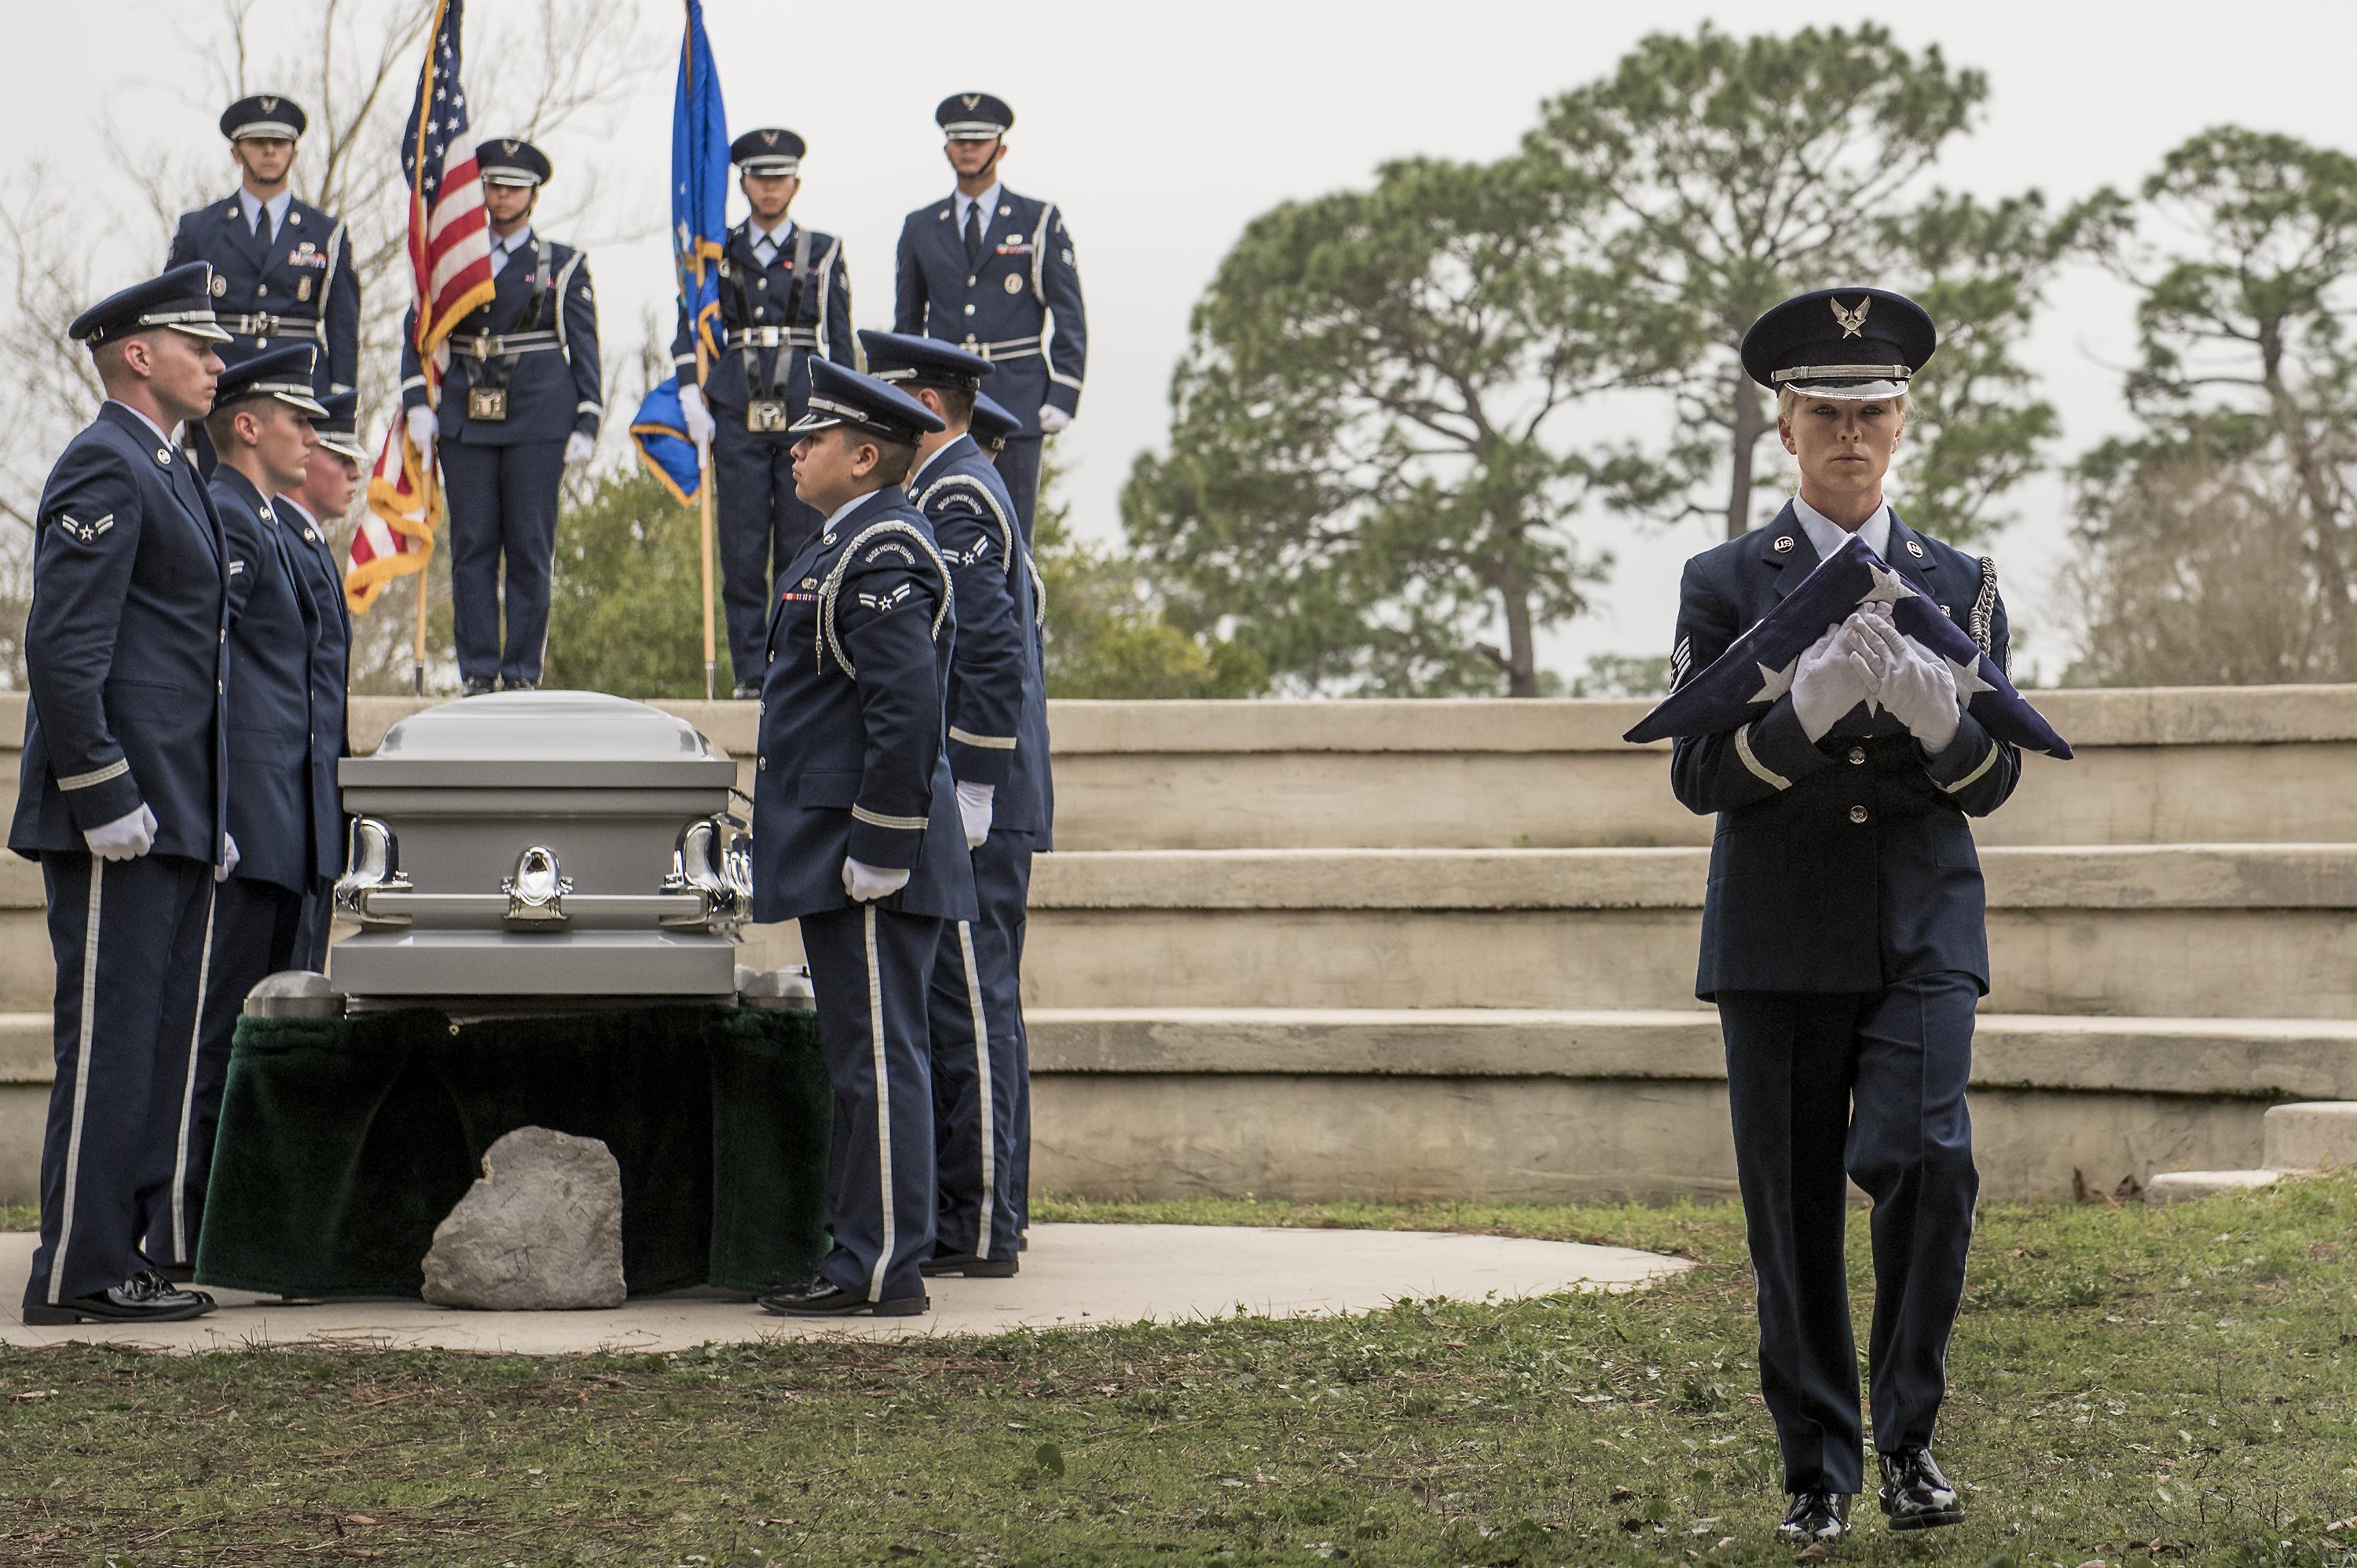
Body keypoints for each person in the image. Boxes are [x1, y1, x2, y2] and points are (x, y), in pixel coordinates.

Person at [1665, 288, 2020, 1543]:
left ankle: (1909, 1441)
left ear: (1903, 422)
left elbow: (1998, 777)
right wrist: (1797, 722)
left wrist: (1941, 723)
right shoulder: (1725, 581)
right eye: (1825, 412)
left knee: (1928, 1158)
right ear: (1786, 428)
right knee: (1794, 1210)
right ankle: (1818, 1470)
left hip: (1922, 919)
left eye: (1872, 411)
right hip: (1778, 930)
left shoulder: (1961, 583)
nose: (1851, 434)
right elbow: (1697, 774)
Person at [9, 263, 233, 1324]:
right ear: (138, 354)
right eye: (200, 344)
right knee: (107, 1044)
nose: (218, 361)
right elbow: (63, 651)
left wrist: (208, 814)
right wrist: (102, 792)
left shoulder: (171, 468)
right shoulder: (106, 462)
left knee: (147, 1046)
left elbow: (189, 665)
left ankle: (121, 1255)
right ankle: (77, 1273)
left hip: (172, 814)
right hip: (120, 818)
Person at [748, 358, 977, 1317]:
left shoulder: (883, 550)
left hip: (871, 859)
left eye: (815, 438)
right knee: (861, 1061)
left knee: (878, 1061)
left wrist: (882, 846)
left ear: (865, 456)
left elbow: (905, 709)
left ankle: (881, 1267)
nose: (795, 450)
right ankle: (860, 1252)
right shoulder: (843, 543)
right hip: (838, 853)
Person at [858, 330, 1052, 1277]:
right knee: (977, 1008)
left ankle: (978, 1227)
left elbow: (989, 651)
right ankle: (987, 1211)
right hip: (983, 791)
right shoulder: (958, 486)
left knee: (970, 1010)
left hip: (984, 795)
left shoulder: (957, 495)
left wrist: (972, 782)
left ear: (927, 407)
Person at [146, 345, 332, 1273]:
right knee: (209, 1037)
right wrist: (214, 806)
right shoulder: (227, 514)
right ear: (249, 427)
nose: (312, 438)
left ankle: (233, 1231)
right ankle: (177, 1234)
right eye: (297, 420)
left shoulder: (269, 522)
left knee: (262, 1041)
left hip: (287, 824)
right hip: (247, 822)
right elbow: (209, 673)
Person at [400, 137, 601, 695]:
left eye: (514, 187)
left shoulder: (563, 264)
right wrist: (416, 401)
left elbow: (584, 345)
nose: (503, 196)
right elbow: (418, 330)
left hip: (538, 416)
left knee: (531, 547)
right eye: (493, 185)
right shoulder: (453, 259)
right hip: (466, 414)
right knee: (472, 545)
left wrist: (588, 417)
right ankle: (477, 670)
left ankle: (521, 673)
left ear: (534, 195)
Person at [673, 128, 858, 698]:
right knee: (743, 544)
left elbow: (842, 341)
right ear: (742, 184)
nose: (769, 188)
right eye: (759, 177)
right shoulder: (717, 251)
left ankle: (796, 664)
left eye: (779, 178)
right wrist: (689, 390)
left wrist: (850, 415)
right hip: (736, 407)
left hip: (806, 409)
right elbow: (689, 324)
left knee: (804, 541)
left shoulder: (823, 251)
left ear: (795, 184)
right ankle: (751, 672)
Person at [894, 93, 1086, 544]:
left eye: (979, 140)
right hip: (942, 401)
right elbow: (908, 324)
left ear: (1001, 148)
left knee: (1014, 536)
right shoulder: (920, 226)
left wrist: (1064, 391)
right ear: (946, 147)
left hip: (1017, 395)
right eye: (960, 139)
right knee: (941, 530)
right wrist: (904, 400)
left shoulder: (1037, 219)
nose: (968, 148)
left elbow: (1069, 312)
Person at [168, 95, 359, 400]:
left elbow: (343, 328)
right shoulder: (199, 229)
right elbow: (175, 319)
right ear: (236, 153)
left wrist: (341, 402)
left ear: (294, 154)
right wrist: (176, 394)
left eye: (280, 143)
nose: (269, 150)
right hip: (221, 387)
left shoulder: (327, 233)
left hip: (300, 389)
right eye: (257, 142)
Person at [276, 390, 363, 973]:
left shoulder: (308, 542)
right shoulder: (276, 536)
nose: (356, 474)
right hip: (283, 811)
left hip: (311, 816)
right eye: (341, 458)